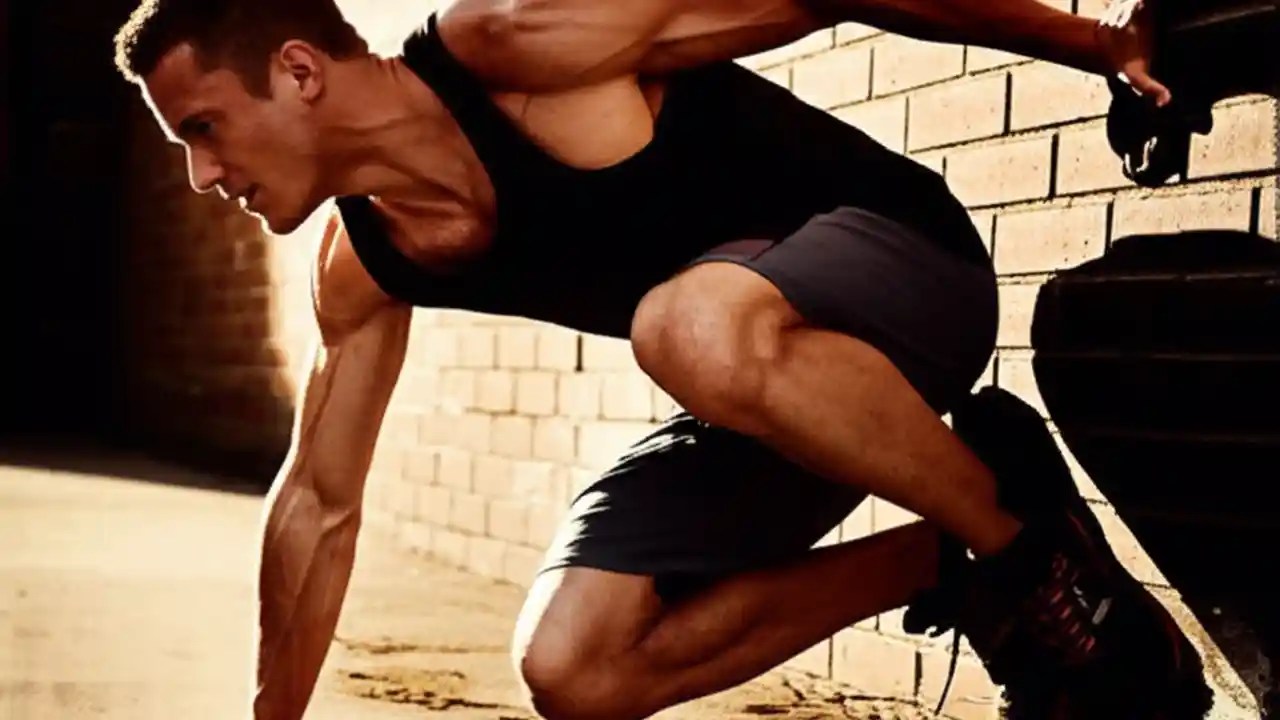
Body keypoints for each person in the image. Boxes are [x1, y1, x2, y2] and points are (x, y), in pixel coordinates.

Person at [111, 0, 1207, 718]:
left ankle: (1024, 547)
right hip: (767, 387)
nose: (205, 176)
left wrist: (1099, 45)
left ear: (298, 70)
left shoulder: (512, 44)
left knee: (682, 328)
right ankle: (950, 562)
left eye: (204, 129)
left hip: (905, 273)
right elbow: (316, 502)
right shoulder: (367, 259)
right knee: (572, 670)